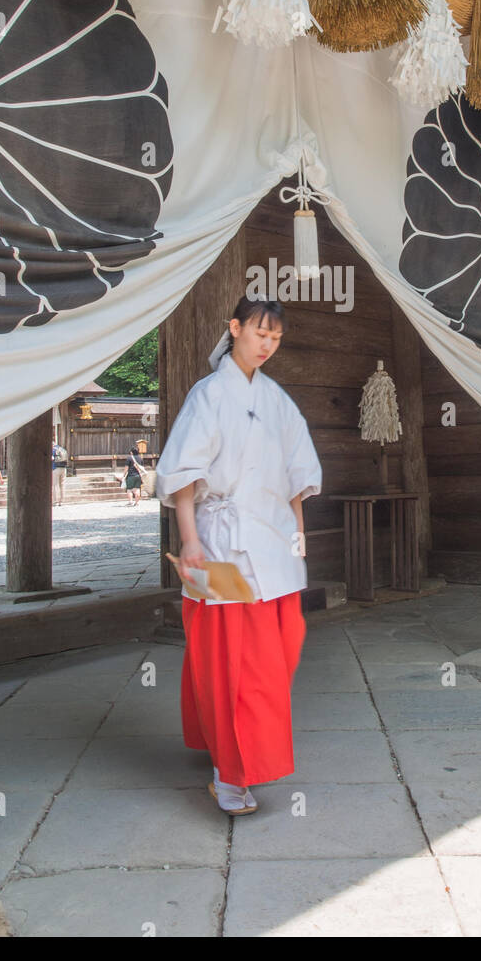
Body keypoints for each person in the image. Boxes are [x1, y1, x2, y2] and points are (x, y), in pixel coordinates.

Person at [155, 296, 321, 815]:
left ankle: (221, 739)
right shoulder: (208, 395)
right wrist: (190, 540)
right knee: (232, 657)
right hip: (219, 540)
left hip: (273, 542)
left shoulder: (276, 399)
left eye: (275, 337)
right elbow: (184, 476)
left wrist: (298, 531)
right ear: (235, 329)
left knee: (284, 645)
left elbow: (296, 472)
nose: (267, 344)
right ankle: (232, 777)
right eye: (258, 333)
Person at [122, 440, 145, 506]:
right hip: (138, 475)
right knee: (137, 489)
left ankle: (130, 501)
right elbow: (142, 467)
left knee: (129, 489)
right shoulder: (140, 458)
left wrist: (123, 475)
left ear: (131, 452)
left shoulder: (129, 458)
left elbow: (126, 468)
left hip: (131, 475)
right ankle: (137, 502)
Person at [51, 436, 68, 506]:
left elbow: (52, 458)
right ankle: (62, 501)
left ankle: (55, 501)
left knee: (55, 485)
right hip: (63, 468)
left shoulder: (53, 449)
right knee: (62, 485)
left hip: (55, 468)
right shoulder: (61, 448)